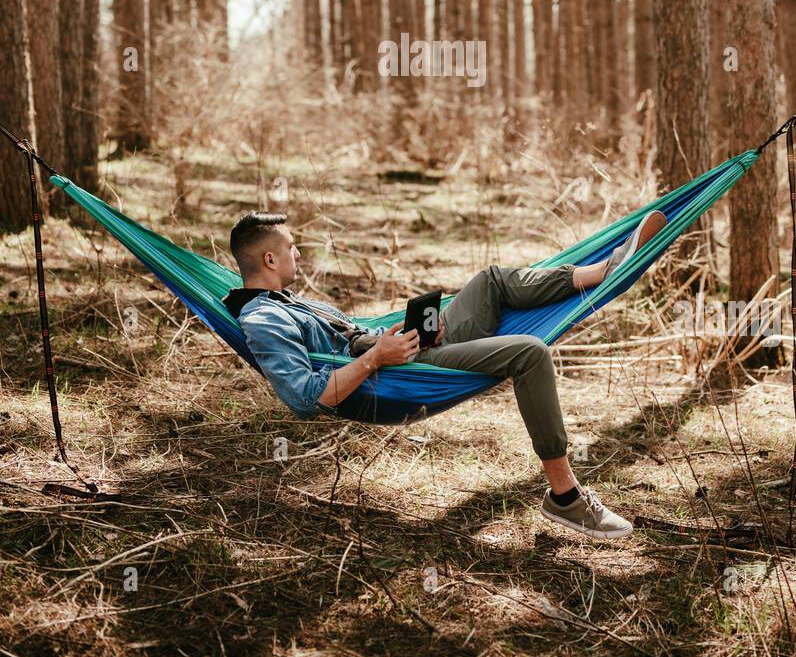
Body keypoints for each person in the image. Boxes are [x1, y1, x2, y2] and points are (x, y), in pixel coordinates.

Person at [222, 207, 668, 541]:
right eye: (291, 247)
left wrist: (398, 334)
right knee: (530, 352)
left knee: (491, 280)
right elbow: (304, 399)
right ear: (270, 260)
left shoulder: (291, 301)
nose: (298, 252)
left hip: (397, 354)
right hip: (390, 381)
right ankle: (565, 497)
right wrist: (378, 357)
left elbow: (346, 341)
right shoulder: (264, 319)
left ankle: (603, 269)